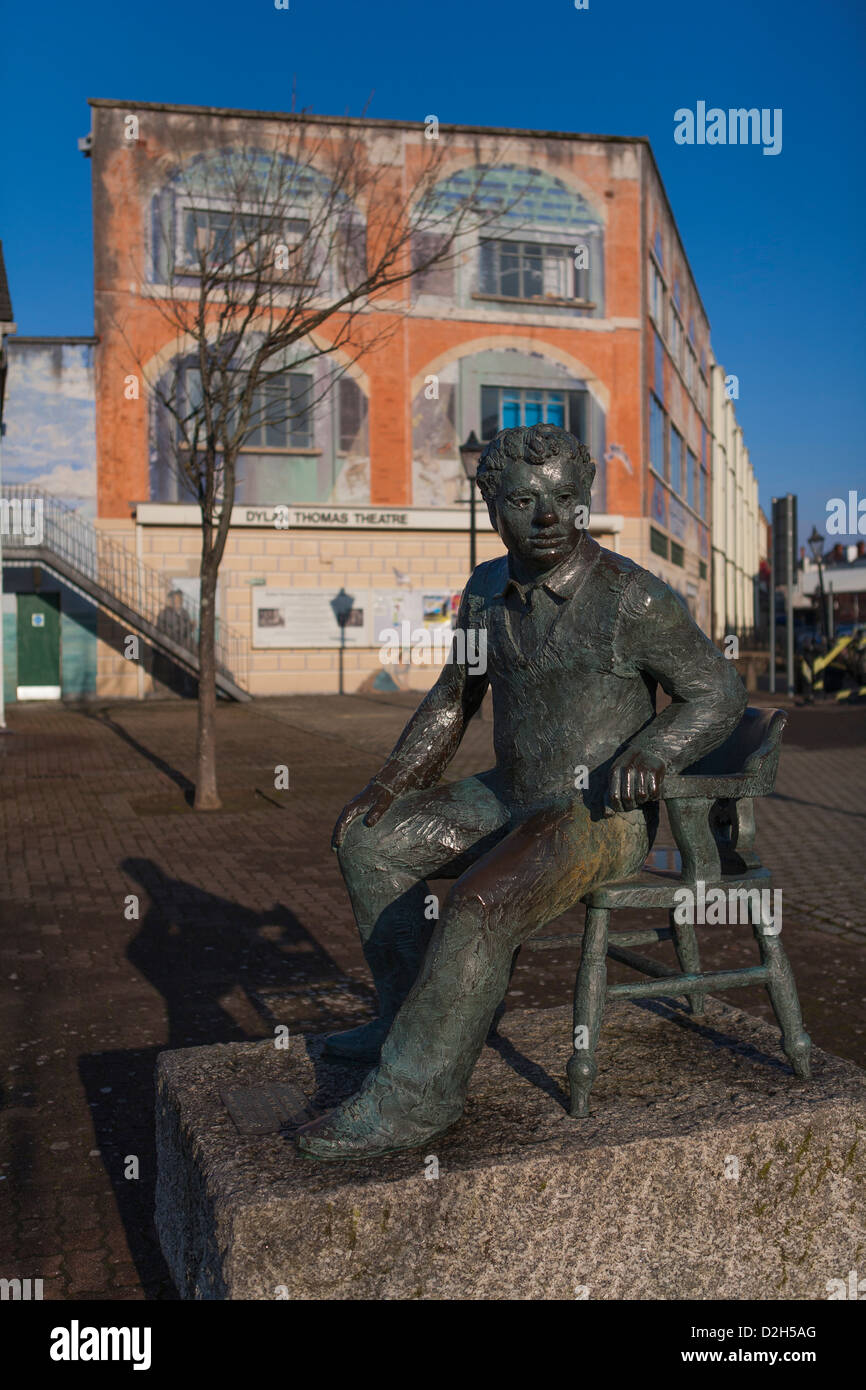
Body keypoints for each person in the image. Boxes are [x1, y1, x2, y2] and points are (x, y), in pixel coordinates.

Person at [297, 424, 747, 1159]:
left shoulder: (633, 600)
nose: (549, 517)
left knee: (480, 901)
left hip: (597, 814)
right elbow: (453, 700)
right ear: (492, 507)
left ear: (586, 500)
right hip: (510, 795)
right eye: (525, 500)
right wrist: (390, 781)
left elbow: (717, 692)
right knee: (369, 840)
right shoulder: (483, 593)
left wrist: (654, 749)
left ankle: (416, 1097)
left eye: (566, 498)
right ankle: (408, 1017)